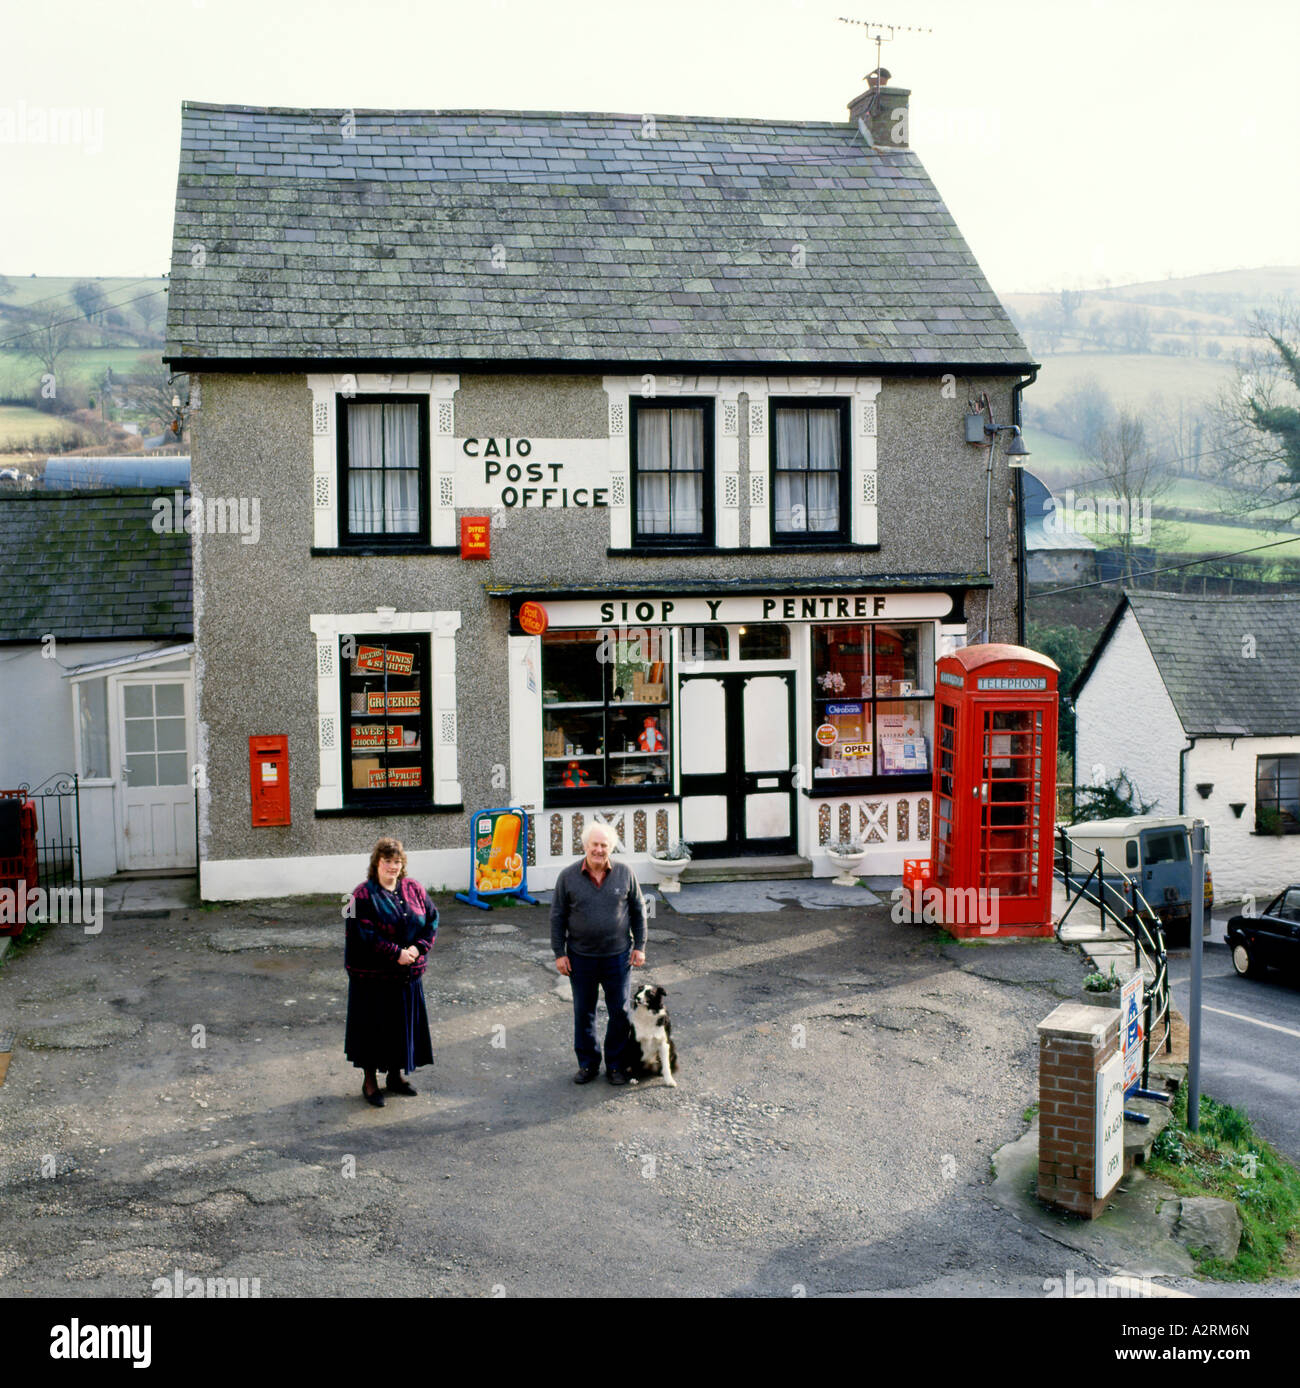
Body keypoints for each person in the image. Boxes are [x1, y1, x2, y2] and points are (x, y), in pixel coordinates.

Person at [550, 821, 647, 1085]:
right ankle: (588, 1064)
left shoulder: (625, 873)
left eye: (604, 845)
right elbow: (557, 917)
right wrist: (560, 952)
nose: (599, 849)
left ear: (611, 848)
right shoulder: (568, 877)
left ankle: (615, 1065)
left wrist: (640, 946)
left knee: (620, 1012)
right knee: (584, 1012)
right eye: (595, 844)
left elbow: (639, 911)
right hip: (581, 958)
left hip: (618, 957)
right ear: (585, 846)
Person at [344, 837, 436, 1107]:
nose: (392, 867)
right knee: (373, 1030)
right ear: (377, 863)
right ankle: (370, 1082)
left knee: (400, 1029)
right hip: (372, 979)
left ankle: (395, 1077)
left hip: (407, 976)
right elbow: (363, 935)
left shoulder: (414, 888)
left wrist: (417, 949)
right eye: (387, 861)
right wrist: (396, 953)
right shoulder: (360, 895)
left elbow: (432, 919)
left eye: (397, 861)